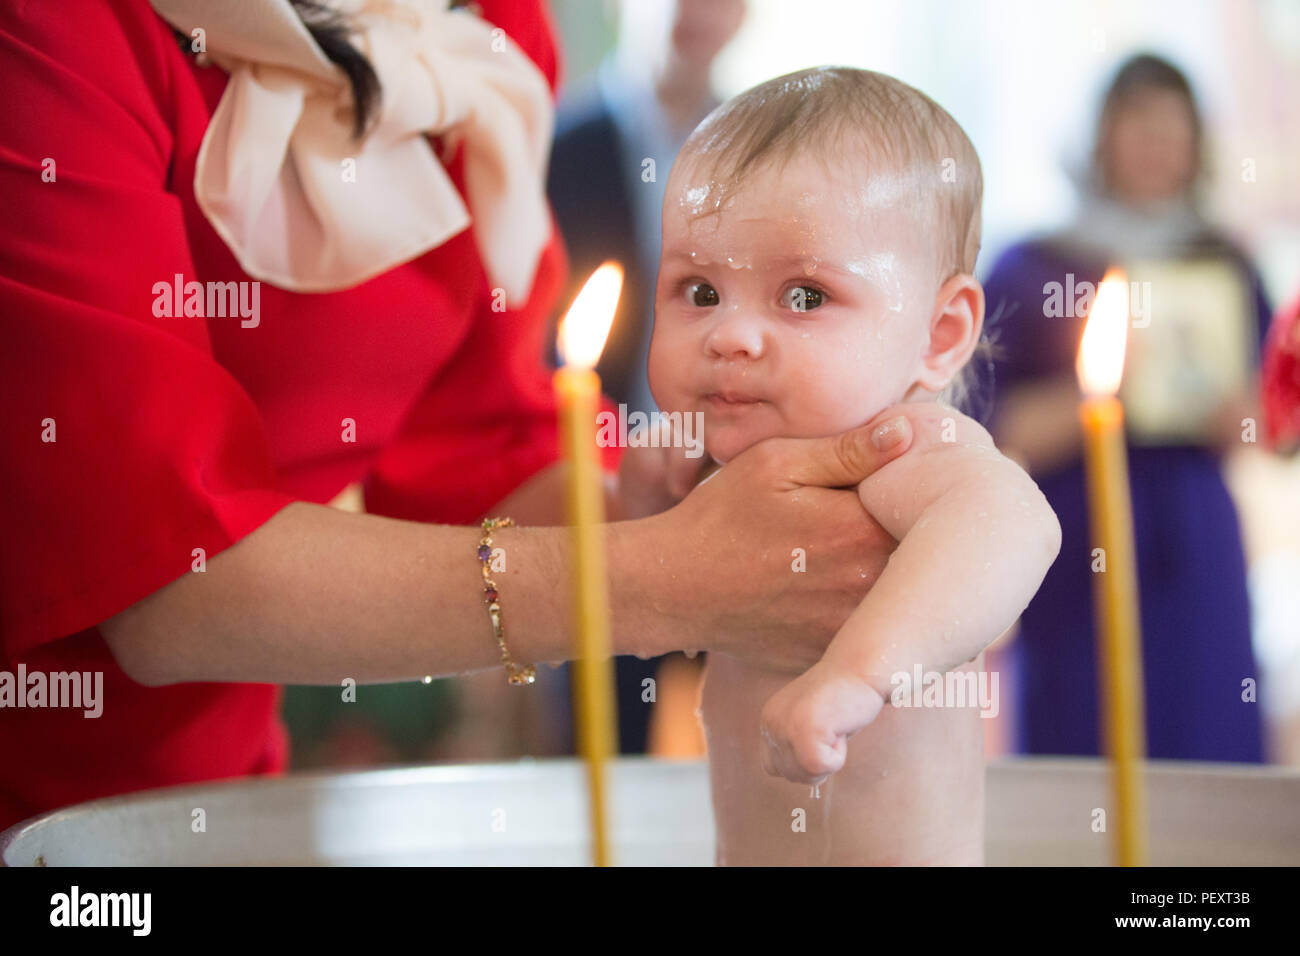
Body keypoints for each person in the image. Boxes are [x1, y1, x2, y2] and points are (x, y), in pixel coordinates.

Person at [0, 0, 931, 832]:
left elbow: (485, 449)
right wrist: (679, 574)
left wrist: (703, 489)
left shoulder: (492, 30)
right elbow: (163, 585)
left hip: (217, 771)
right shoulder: (57, 31)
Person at [647, 67, 1061, 865]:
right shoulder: (719, 464)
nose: (729, 335)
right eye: (699, 290)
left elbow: (1015, 525)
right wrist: (638, 497)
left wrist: (858, 677)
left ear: (940, 334)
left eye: (803, 297)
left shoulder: (903, 448)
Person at [983, 54, 1272, 763]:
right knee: (1083, 752)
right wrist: (1096, 398)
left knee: (1206, 753)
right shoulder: (1032, 266)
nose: (1157, 145)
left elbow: (1270, 424)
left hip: (1193, 557)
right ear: (1102, 138)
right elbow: (988, 426)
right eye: (1139, 124)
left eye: (1175, 129)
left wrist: (1238, 415)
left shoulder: (1226, 265)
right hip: (1076, 549)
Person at [547, 0, 745, 755]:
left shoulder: (760, 149)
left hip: (722, 472)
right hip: (596, 462)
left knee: (739, 717)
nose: (696, 11)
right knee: (606, 725)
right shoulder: (565, 144)